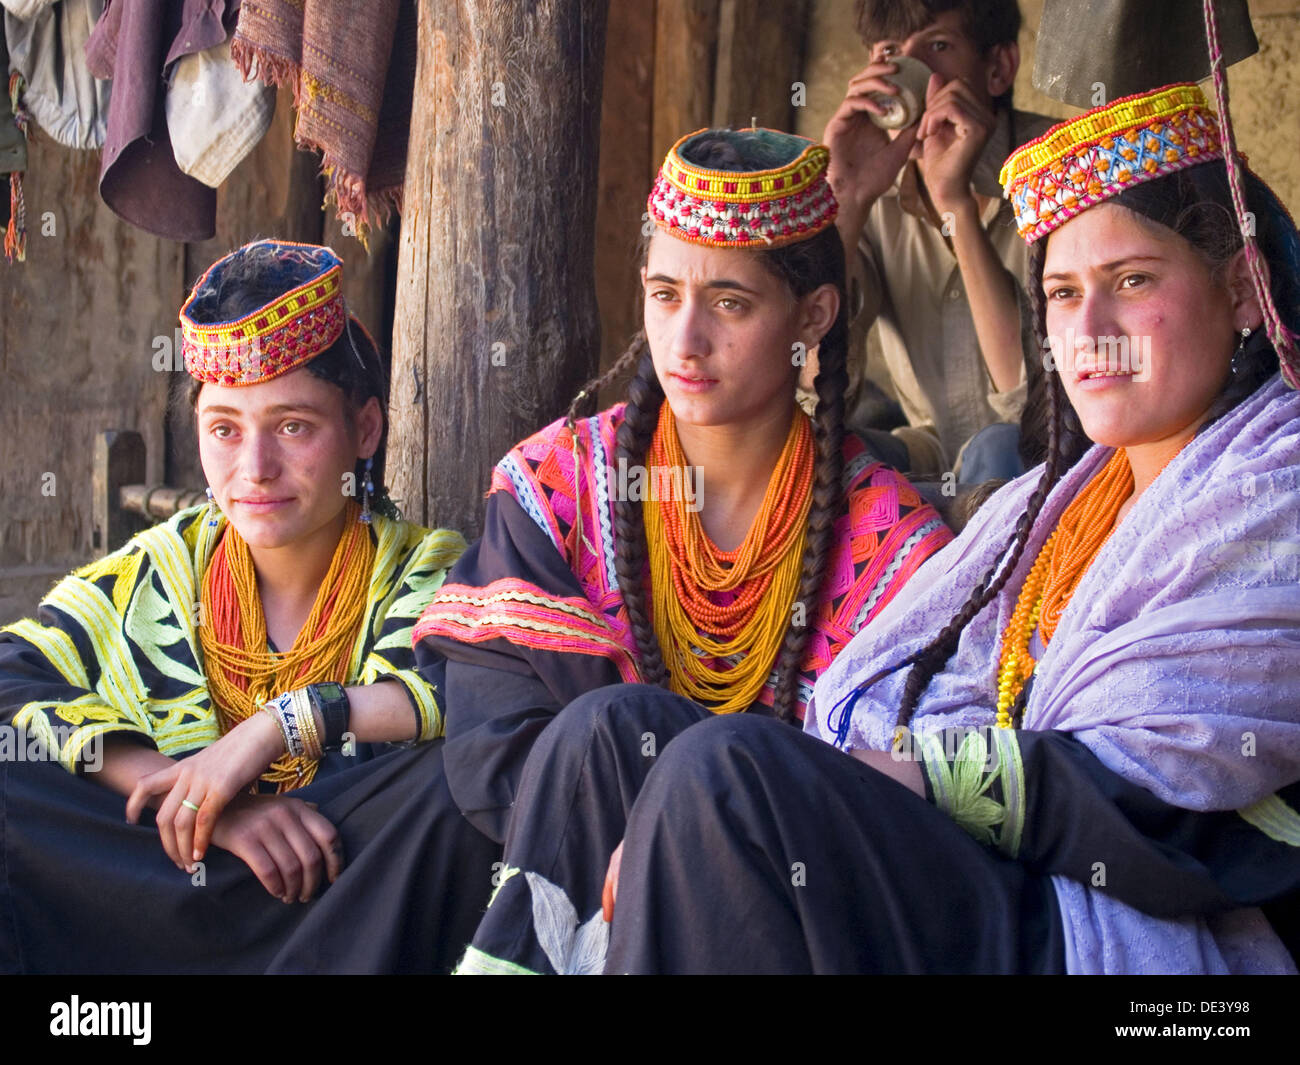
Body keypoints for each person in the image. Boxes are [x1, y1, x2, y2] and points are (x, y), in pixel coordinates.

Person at [600, 83, 1300, 974]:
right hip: (1014, 892)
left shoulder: (1278, 489)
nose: (1088, 330)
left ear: (1241, 291)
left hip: (1147, 963)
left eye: (1132, 281)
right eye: (1060, 291)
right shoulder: (1045, 507)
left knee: (724, 778)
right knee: (636, 736)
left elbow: (1168, 804)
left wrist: (918, 774)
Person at [414, 127, 955, 974]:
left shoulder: (891, 544)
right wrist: (648, 830)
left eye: (730, 302)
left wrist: (692, 843)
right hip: (587, 887)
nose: (686, 339)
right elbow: (494, 740)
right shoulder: (558, 487)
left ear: (813, 314)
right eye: (664, 295)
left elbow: (894, 806)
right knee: (602, 728)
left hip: (784, 919)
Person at [0, 239, 498, 973]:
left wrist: (275, 727)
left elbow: (477, 694)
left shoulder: (423, 570)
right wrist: (209, 803)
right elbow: (13, 676)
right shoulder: (156, 572)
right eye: (225, 430)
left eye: (293, 426)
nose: (255, 469)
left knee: (455, 782)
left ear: (365, 428)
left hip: (342, 904)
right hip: (161, 893)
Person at [819, 0, 1055, 481]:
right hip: (931, 453)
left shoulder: (1059, 169)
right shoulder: (872, 190)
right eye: (889, 51)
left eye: (939, 46)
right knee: (816, 455)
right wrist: (845, 197)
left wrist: (955, 205)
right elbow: (817, 389)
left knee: (997, 446)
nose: (910, 70)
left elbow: (1030, 404)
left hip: (1042, 456)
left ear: (997, 68)